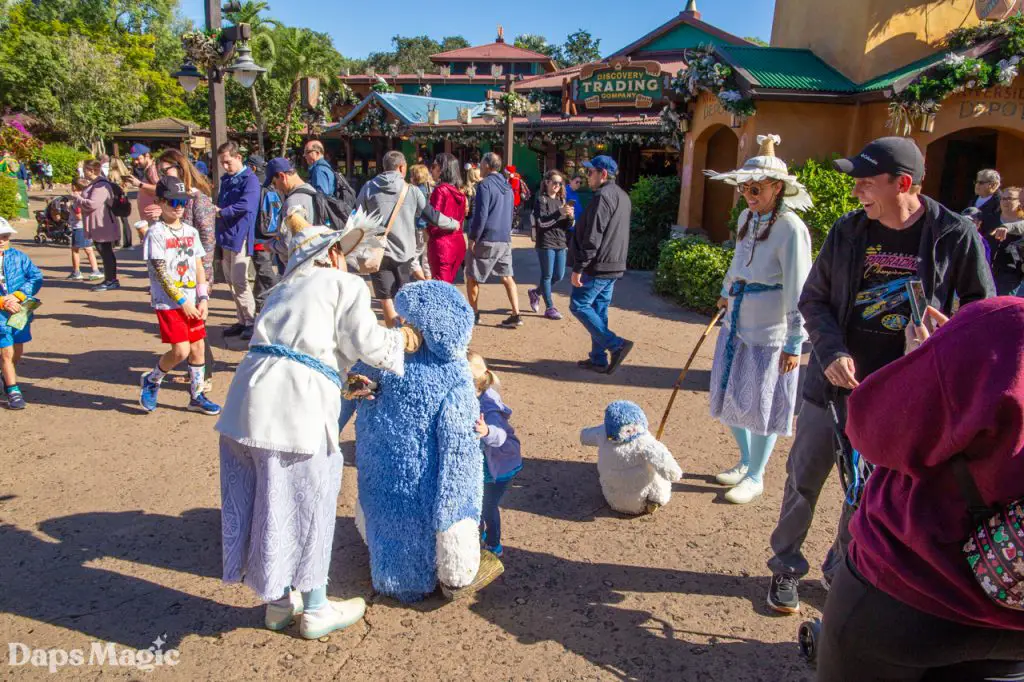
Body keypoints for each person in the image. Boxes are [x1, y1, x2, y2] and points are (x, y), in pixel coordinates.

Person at [765, 136, 995, 615]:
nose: (856, 194)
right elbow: (815, 300)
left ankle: (843, 568)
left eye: (866, 184)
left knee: (866, 489)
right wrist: (829, 351)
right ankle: (785, 566)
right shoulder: (848, 230)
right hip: (831, 385)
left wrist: (945, 338)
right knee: (803, 478)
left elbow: (983, 314)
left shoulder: (955, 235)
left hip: (902, 396)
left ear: (903, 183)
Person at [215, 209, 420, 638]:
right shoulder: (342, 283)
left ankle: (276, 602)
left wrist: (343, 378)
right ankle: (316, 607)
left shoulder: (281, 291)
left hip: (246, 402)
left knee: (263, 497)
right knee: (310, 499)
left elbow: (313, 345)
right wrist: (401, 337)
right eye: (342, 251)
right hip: (296, 408)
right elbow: (367, 342)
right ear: (330, 254)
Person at [816, 297, 1024, 680]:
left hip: (908, 594)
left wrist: (928, 359)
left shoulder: (1003, 326)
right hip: (1015, 626)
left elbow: (871, 429)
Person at [706, 135, 814, 505]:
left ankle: (756, 474)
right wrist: (726, 290)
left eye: (756, 187)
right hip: (737, 318)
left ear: (777, 188)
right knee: (731, 395)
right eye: (744, 187)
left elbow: (800, 289)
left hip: (771, 328)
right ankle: (745, 460)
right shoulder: (746, 218)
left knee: (764, 404)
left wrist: (794, 342)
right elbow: (738, 262)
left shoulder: (791, 228)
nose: (748, 194)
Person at [138, 177, 220, 416]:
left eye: (182, 202)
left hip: (193, 301)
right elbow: (161, 272)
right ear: (160, 201)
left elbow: (199, 265)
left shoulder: (191, 232)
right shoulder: (156, 233)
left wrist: (203, 298)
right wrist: (183, 302)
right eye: (173, 201)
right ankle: (153, 379)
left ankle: (196, 396)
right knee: (180, 352)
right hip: (169, 302)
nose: (178, 207)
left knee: (198, 349)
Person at [157, 149, 219, 391]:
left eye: (166, 170)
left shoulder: (198, 199)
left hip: (196, 274)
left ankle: (205, 375)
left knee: (196, 327)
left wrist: (202, 276)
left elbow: (208, 238)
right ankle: (199, 373)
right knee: (192, 328)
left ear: (180, 169)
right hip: (178, 276)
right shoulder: (173, 201)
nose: (162, 175)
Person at [569, 155, 633, 374]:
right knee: (598, 309)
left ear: (603, 174)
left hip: (599, 265)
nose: (588, 176)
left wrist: (579, 267)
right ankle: (598, 358)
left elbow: (593, 235)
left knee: (579, 305)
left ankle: (616, 345)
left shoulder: (603, 197)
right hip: (613, 264)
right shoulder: (622, 196)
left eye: (590, 172)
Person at [353, 150, 427, 328]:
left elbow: (358, 214)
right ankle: (404, 334)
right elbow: (424, 214)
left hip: (377, 248)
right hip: (405, 249)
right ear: (401, 167)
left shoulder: (369, 186)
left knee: (385, 297)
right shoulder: (412, 190)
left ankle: (393, 335)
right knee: (403, 296)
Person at [470, 351, 522, 559]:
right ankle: (477, 533)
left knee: (487, 506)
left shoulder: (489, 406)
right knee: (477, 502)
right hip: (487, 464)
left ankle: (493, 544)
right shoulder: (477, 396)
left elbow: (499, 436)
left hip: (500, 468)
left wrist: (486, 431)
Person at [466, 153, 521, 328]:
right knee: (507, 276)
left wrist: (473, 237)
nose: (479, 166)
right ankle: (516, 314)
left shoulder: (484, 185)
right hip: (504, 238)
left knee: (472, 276)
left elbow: (481, 215)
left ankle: (474, 314)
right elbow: (511, 213)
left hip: (487, 237)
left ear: (488, 165)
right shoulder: (507, 186)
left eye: (481, 163)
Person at [214, 141, 261, 340]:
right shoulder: (227, 179)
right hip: (226, 235)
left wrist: (222, 212)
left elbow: (247, 205)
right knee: (231, 281)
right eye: (222, 163)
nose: (225, 166)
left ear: (238, 157)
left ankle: (250, 321)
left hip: (241, 235)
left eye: (228, 162)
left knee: (240, 281)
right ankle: (241, 320)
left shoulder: (250, 179)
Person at [0, 218, 43, 410]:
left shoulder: (19, 257)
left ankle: (6, 373)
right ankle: (13, 390)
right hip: (1, 314)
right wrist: (2, 301)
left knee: (17, 350)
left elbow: (35, 277)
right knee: (6, 352)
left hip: (19, 311)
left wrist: (18, 296)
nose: (1, 240)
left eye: (5, 236)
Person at [528, 170, 575, 320]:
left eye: (559, 183)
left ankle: (536, 292)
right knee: (547, 275)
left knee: (559, 275)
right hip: (546, 242)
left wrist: (570, 217)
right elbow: (541, 223)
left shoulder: (562, 200)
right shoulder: (541, 200)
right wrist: (558, 213)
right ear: (547, 182)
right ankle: (549, 307)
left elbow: (567, 226)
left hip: (561, 242)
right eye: (554, 182)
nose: (557, 185)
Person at [73, 159, 121, 292]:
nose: (83, 173)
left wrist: (77, 197)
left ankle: (111, 280)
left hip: (103, 223)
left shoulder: (101, 185)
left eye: (85, 170)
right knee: (103, 251)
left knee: (106, 252)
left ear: (92, 170)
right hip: (98, 223)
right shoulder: (95, 183)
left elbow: (92, 204)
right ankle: (109, 279)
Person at [245, 155, 281, 313]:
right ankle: (259, 306)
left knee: (265, 273)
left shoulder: (254, 185)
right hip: (271, 234)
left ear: (252, 167)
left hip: (258, 235)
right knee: (262, 272)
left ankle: (279, 301)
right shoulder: (271, 185)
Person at [426, 153, 468, 285]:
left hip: (442, 245)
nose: (431, 170)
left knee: (441, 290)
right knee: (446, 286)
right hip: (457, 242)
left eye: (434, 166)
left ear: (442, 169)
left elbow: (434, 219)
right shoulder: (459, 193)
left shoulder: (440, 191)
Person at [987, 187, 1024, 296]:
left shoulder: (1021, 223)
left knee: (1002, 305)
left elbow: (1020, 226)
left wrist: (1006, 227)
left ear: (1020, 202)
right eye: (1003, 198)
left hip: (1010, 272)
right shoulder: (988, 219)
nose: (1005, 201)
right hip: (986, 268)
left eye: (1010, 198)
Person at [123, 143, 161, 246]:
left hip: (155, 216)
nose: (136, 162)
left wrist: (139, 184)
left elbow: (160, 189)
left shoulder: (153, 169)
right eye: (134, 159)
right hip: (149, 218)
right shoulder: (147, 170)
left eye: (138, 158)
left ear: (147, 155)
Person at [67, 178, 103, 282]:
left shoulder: (78, 199)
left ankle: (77, 272)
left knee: (77, 250)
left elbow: (78, 215)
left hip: (79, 227)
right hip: (83, 226)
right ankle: (94, 270)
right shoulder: (85, 196)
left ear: (75, 186)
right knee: (88, 249)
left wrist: (70, 208)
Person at [409, 163, 433, 281]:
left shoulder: (414, 191)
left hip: (417, 226)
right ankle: (428, 282)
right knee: (426, 258)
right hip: (429, 227)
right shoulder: (431, 189)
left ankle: (423, 283)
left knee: (412, 259)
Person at [971, 168, 1003, 239]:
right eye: (976, 182)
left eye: (981, 183)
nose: (977, 185)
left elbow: (994, 226)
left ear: (994, 185)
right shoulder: (974, 198)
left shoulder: (1001, 202)